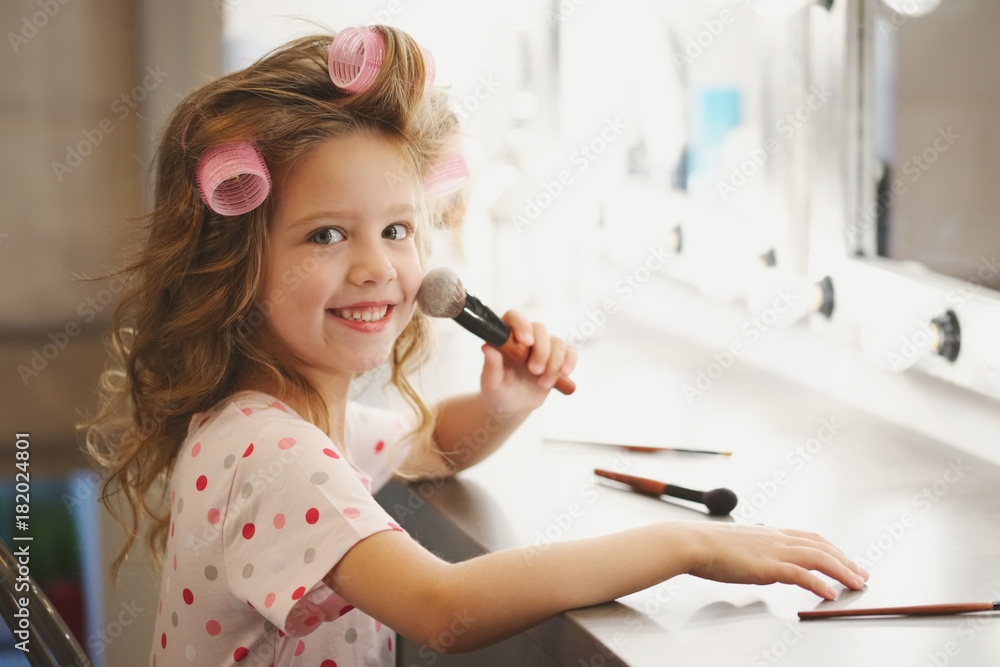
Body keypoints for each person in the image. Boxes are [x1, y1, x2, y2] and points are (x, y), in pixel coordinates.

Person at [83, 25, 868, 667]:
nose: (376, 267)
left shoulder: (282, 417)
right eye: (326, 235)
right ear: (237, 266)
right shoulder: (274, 453)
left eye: (397, 229)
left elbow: (429, 446)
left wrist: (504, 404)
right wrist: (685, 543)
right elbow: (443, 606)